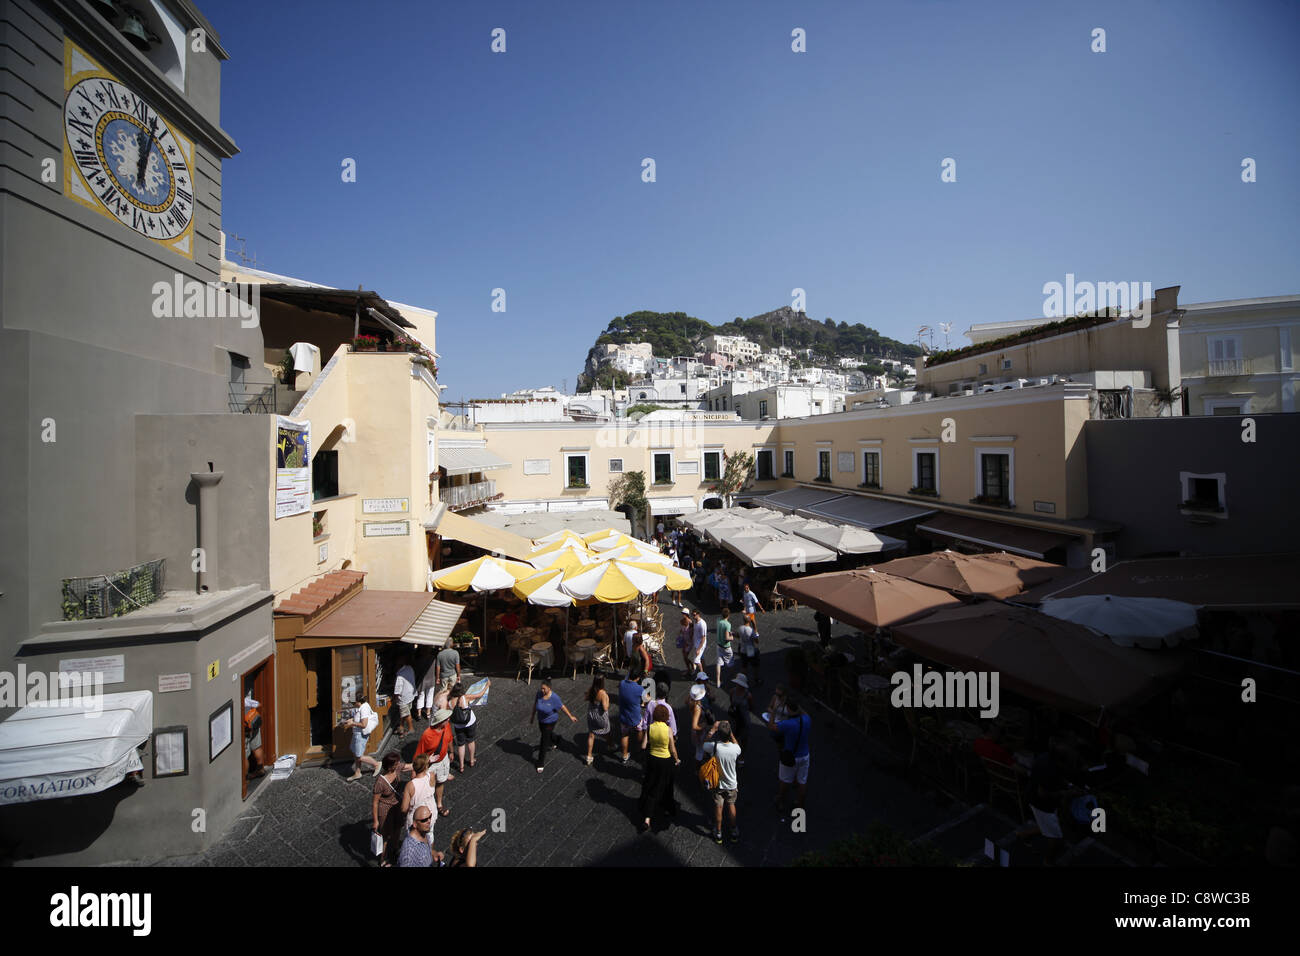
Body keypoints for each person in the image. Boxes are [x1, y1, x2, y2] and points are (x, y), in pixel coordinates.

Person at [638, 704, 681, 832]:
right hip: (665, 761)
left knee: (651, 785)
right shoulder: (667, 729)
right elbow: (672, 749)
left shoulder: (650, 728)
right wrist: (677, 759)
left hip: (652, 759)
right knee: (667, 786)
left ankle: (647, 818)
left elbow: (644, 745)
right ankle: (668, 809)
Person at [768, 699, 811, 819]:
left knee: (785, 779)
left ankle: (780, 799)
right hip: (805, 755)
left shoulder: (788, 724)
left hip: (790, 756)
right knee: (802, 781)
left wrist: (774, 711)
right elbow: (805, 714)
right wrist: (799, 707)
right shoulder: (807, 719)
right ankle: (800, 803)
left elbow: (772, 727)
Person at [702, 720, 742, 844]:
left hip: (718, 783)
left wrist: (712, 730)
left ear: (718, 734)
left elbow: (704, 744)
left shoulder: (714, 747)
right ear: (729, 734)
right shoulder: (735, 749)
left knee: (719, 807)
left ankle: (718, 832)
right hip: (731, 784)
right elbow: (736, 744)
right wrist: (731, 734)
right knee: (731, 805)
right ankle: (734, 831)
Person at [414, 709, 455, 815]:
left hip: (443, 760)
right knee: (428, 788)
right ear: (440, 721)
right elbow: (418, 756)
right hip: (430, 765)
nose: (449, 720)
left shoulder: (447, 726)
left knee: (441, 782)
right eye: (447, 719)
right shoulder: (427, 735)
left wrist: (451, 752)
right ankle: (427, 808)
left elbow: (449, 739)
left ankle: (439, 804)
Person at [531, 678, 576, 773]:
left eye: (544, 689)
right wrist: (532, 716)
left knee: (544, 741)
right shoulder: (539, 694)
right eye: (541, 688)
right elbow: (535, 704)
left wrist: (570, 716)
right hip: (541, 720)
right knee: (546, 734)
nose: (542, 690)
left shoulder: (555, 698)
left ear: (549, 688)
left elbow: (562, 707)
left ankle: (540, 763)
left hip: (550, 721)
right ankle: (557, 740)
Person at [371, 750, 406, 866]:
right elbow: (375, 802)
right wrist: (375, 821)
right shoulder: (380, 782)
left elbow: (411, 766)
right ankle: (382, 859)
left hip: (397, 806)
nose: (399, 764)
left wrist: (427, 761)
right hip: (385, 810)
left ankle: (395, 848)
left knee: (398, 828)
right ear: (390, 766)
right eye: (396, 763)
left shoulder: (397, 769)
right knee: (386, 836)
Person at [449, 679, 490, 773]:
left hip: (458, 726)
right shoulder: (465, 697)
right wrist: (487, 686)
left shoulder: (450, 701)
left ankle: (462, 766)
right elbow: (480, 694)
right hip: (470, 723)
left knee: (461, 744)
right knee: (471, 741)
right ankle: (471, 760)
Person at [344, 695, 381, 781]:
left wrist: (352, 723)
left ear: (358, 701)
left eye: (353, 703)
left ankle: (376, 764)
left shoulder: (363, 709)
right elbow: (358, 718)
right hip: (357, 733)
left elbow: (364, 725)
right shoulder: (362, 705)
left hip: (360, 735)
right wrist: (352, 719)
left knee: (359, 756)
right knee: (355, 752)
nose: (352, 704)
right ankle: (357, 773)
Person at [400, 753, 438, 831]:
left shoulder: (410, 785)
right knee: (430, 837)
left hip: (416, 816)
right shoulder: (431, 776)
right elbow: (426, 771)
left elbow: (404, 808)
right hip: (430, 812)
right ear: (426, 766)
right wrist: (428, 762)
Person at [617, 668, 645, 765]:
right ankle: (639, 748)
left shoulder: (622, 683)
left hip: (623, 716)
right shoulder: (639, 689)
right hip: (635, 717)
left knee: (624, 735)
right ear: (637, 678)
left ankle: (624, 755)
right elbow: (647, 698)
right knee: (640, 730)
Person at [585, 674, 612, 765]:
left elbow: (586, 698)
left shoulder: (591, 689)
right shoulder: (603, 693)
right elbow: (605, 708)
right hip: (600, 716)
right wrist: (608, 700)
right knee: (606, 731)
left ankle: (589, 756)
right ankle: (610, 745)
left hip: (591, 714)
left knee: (591, 735)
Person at [727, 673, 754, 763]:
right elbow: (731, 702)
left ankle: (742, 756)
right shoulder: (732, 691)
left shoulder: (748, 695)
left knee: (744, 738)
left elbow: (751, 707)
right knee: (733, 736)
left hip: (744, 718)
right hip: (735, 718)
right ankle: (734, 753)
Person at [243, 691, 266, 779]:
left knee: (244, 755)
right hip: (253, 721)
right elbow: (258, 704)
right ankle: (260, 769)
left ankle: (245, 779)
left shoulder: (241, 699)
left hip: (245, 727)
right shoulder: (248, 699)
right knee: (257, 747)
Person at [688, 682, 713, 763]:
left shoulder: (691, 701)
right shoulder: (697, 708)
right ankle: (698, 765)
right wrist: (703, 726)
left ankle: (699, 760)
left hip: (697, 731)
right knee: (700, 750)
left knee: (699, 748)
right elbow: (694, 726)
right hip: (699, 731)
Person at [393, 657, 417, 738]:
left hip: (403, 698)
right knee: (403, 713)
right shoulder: (410, 668)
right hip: (410, 695)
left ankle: (411, 729)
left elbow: (397, 691)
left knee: (406, 714)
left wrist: (394, 698)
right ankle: (401, 727)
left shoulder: (399, 676)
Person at [414, 650, 440, 721]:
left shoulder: (419, 659)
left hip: (422, 680)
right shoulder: (433, 658)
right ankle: (428, 713)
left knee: (420, 696)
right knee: (430, 696)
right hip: (431, 678)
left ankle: (419, 714)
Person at [715, 608, 734, 689]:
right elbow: (727, 638)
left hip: (719, 645)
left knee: (719, 663)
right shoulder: (727, 624)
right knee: (731, 662)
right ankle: (732, 678)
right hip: (726, 647)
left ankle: (718, 681)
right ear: (728, 615)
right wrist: (732, 637)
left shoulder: (718, 620)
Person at [690, 609, 708, 677]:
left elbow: (703, 638)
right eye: (692, 615)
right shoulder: (695, 622)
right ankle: (704, 669)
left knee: (696, 660)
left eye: (694, 615)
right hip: (696, 643)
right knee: (701, 657)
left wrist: (698, 649)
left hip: (700, 644)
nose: (693, 616)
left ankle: (702, 675)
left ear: (698, 614)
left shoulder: (702, 624)